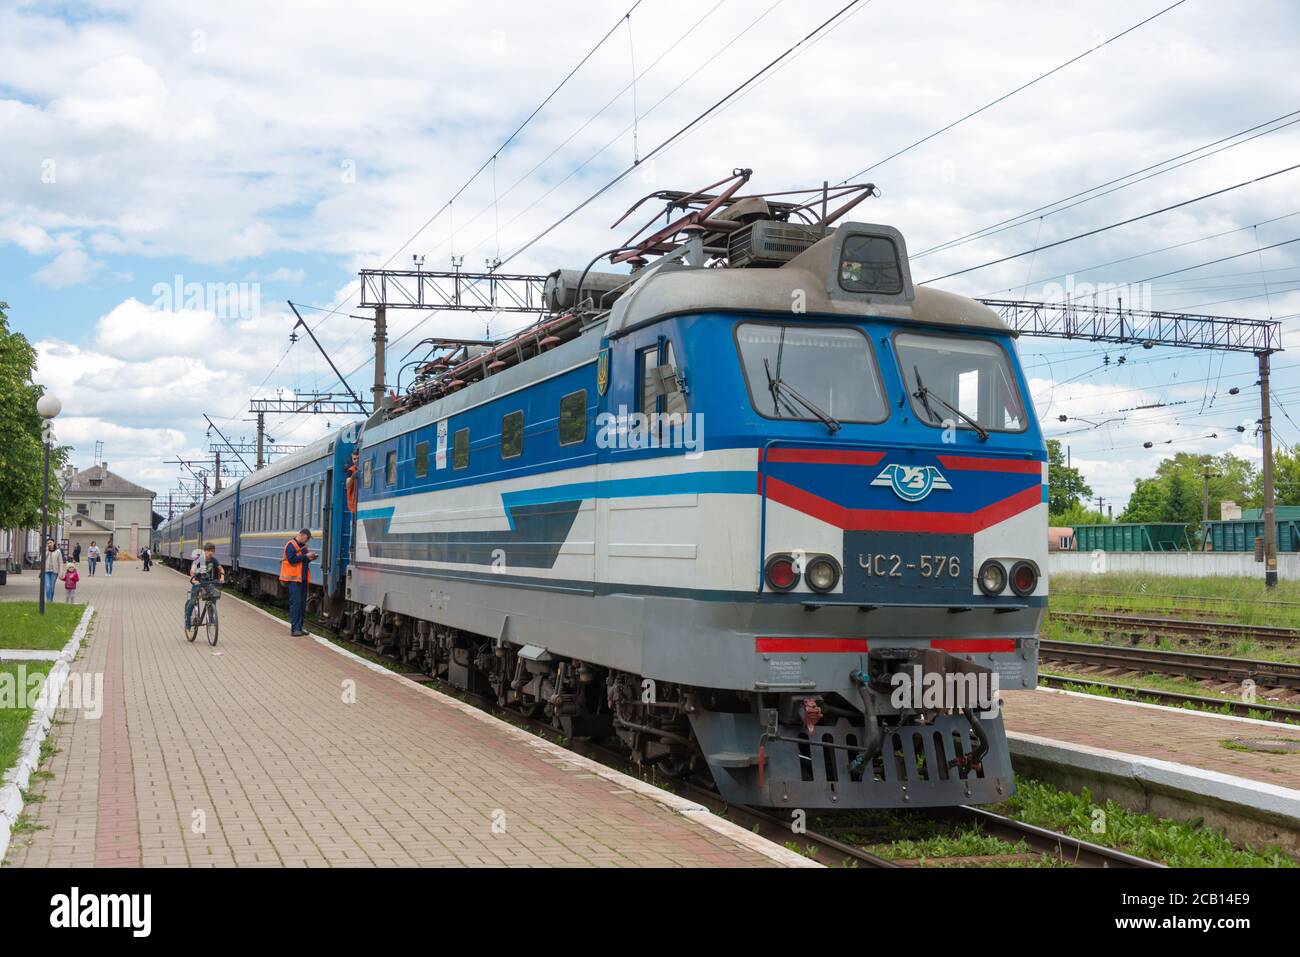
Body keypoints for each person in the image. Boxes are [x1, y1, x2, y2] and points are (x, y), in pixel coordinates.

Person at [279, 528, 318, 637]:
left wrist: (311, 558)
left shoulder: (303, 547)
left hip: (303, 579)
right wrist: (305, 556)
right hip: (293, 579)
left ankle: (300, 627)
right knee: (295, 604)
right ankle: (295, 629)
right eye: (307, 538)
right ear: (301, 535)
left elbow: (303, 560)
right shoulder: (291, 545)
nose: (307, 541)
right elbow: (292, 559)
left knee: (301, 604)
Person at [184, 544, 225, 629]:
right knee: (192, 601)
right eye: (209, 551)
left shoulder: (214, 560)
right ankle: (187, 621)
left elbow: (221, 569)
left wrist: (222, 577)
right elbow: (192, 571)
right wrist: (194, 580)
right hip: (198, 583)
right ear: (205, 551)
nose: (211, 553)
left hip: (209, 583)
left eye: (212, 551)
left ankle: (211, 617)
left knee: (213, 597)